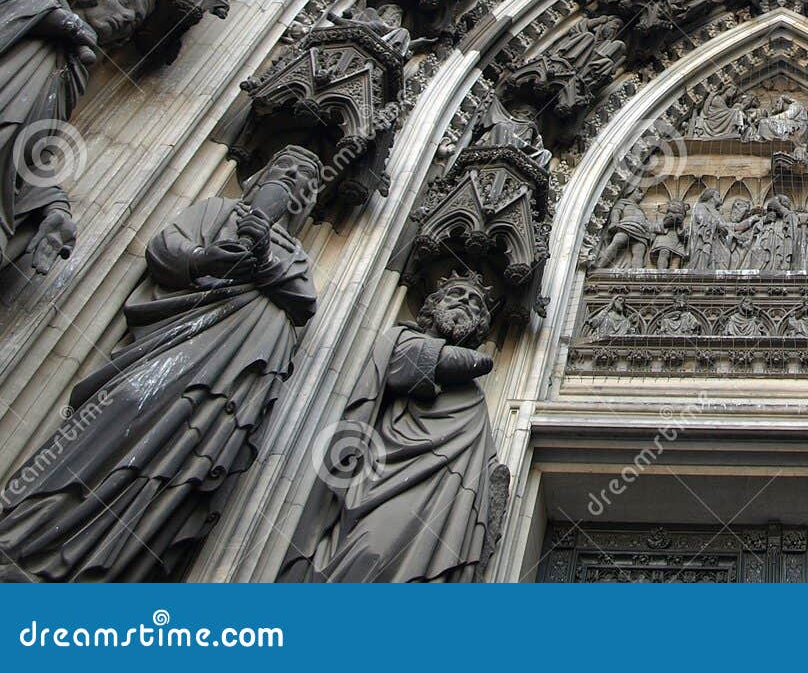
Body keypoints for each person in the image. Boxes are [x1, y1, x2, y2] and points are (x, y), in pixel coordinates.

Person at [0, 147, 323, 581]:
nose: (293, 179)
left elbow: (304, 300)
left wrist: (263, 257)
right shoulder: (220, 210)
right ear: (262, 173)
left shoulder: (296, 255)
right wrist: (202, 259)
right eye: (285, 167)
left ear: (308, 201)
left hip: (238, 377)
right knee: (122, 411)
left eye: (306, 180)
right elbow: (165, 247)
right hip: (178, 342)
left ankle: (105, 574)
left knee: (185, 462)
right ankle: (29, 536)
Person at [282, 275, 506, 582]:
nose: (466, 302)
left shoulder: (474, 396)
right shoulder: (402, 339)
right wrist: (477, 358)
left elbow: (484, 465)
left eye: (476, 304)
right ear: (433, 306)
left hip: (442, 500)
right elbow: (458, 362)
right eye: (456, 294)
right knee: (371, 551)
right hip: (388, 477)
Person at [0, 0, 155, 276]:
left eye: (134, 20)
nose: (126, 17)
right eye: (125, 2)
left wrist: (53, 207)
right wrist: (54, 19)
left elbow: (31, 158)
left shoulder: (74, 75)